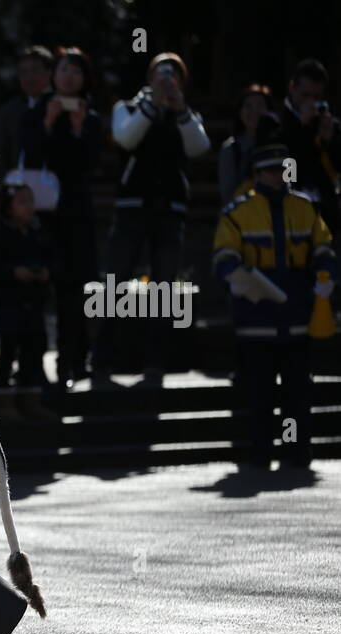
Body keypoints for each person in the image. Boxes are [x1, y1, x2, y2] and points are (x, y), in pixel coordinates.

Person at [213, 143, 336, 471]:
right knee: (261, 394)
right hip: (257, 317)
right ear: (258, 175)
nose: (280, 176)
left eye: (283, 170)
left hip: (296, 313)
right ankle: (262, 451)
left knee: (295, 394)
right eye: (272, 171)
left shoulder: (304, 208)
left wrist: (326, 275)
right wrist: (234, 278)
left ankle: (294, 449)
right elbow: (224, 255)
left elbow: (322, 246)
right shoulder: (238, 212)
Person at [97, 51, 209, 389]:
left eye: (172, 75)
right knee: (114, 286)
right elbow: (127, 137)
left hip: (170, 212)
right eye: (160, 74)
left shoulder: (186, 115)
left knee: (163, 289)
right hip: (131, 208)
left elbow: (199, 147)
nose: (166, 81)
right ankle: (101, 363)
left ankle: (154, 365)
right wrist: (151, 106)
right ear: (148, 77)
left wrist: (179, 110)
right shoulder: (127, 108)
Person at [19, 46, 101, 389]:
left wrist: (79, 129)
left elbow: (90, 164)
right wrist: (49, 122)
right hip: (42, 212)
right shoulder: (38, 109)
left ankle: (71, 360)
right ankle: (30, 365)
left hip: (76, 215)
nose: (69, 76)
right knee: (38, 291)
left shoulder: (91, 116)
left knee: (73, 290)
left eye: (76, 71)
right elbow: (31, 156)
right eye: (64, 69)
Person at [0, 183, 55, 420]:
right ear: (8, 207)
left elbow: (52, 259)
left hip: (34, 301)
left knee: (34, 349)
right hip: (10, 302)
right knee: (9, 349)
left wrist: (45, 272)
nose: (29, 206)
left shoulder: (38, 232)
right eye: (22, 202)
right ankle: (5, 402)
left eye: (30, 201)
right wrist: (13, 272)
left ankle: (31, 399)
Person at [278, 59, 341, 234]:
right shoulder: (275, 123)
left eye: (317, 97)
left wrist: (330, 140)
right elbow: (287, 167)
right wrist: (301, 127)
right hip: (289, 211)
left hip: (326, 215)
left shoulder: (328, 125)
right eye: (305, 95)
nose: (311, 102)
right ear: (292, 88)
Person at [0, 45, 53, 184]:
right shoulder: (8, 111)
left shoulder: (60, 106)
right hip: (15, 189)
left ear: (49, 73)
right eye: (23, 72)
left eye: (35, 70)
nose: (29, 77)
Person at [217, 84, 274, 205]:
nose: (254, 111)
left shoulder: (281, 147)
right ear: (240, 112)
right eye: (248, 106)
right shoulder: (230, 149)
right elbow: (228, 196)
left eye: (260, 105)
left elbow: (291, 181)